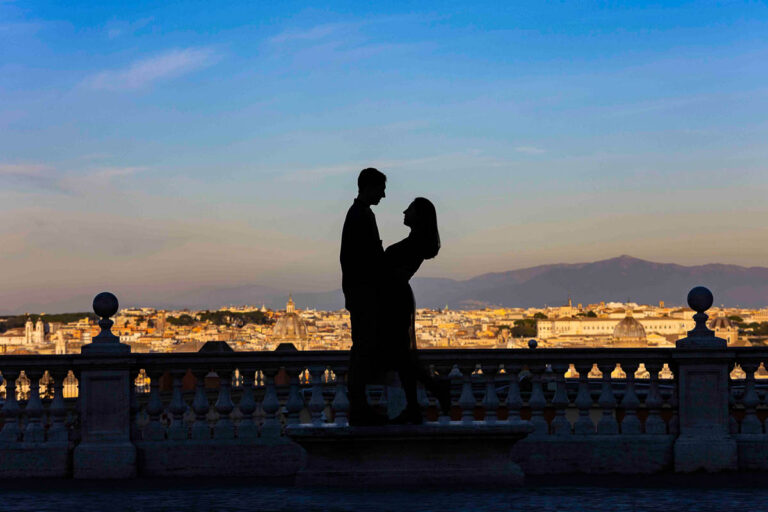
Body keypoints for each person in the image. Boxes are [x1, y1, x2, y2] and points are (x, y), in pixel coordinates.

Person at [378, 197, 450, 424]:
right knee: (402, 356)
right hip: (397, 298)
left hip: (395, 300)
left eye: (408, 209)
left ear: (418, 215)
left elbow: (394, 272)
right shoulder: (416, 242)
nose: (404, 211)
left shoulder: (415, 243)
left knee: (401, 356)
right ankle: (421, 401)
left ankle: (430, 394)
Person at [340, 167, 389, 426]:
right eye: (381, 189)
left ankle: (359, 406)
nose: (384, 195)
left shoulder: (358, 213)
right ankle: (359, 407)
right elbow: (365, 259)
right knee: (362, 350)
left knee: (362, 349)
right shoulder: (361, 215)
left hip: (359, 293)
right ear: (369, 188)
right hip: (364, 294)